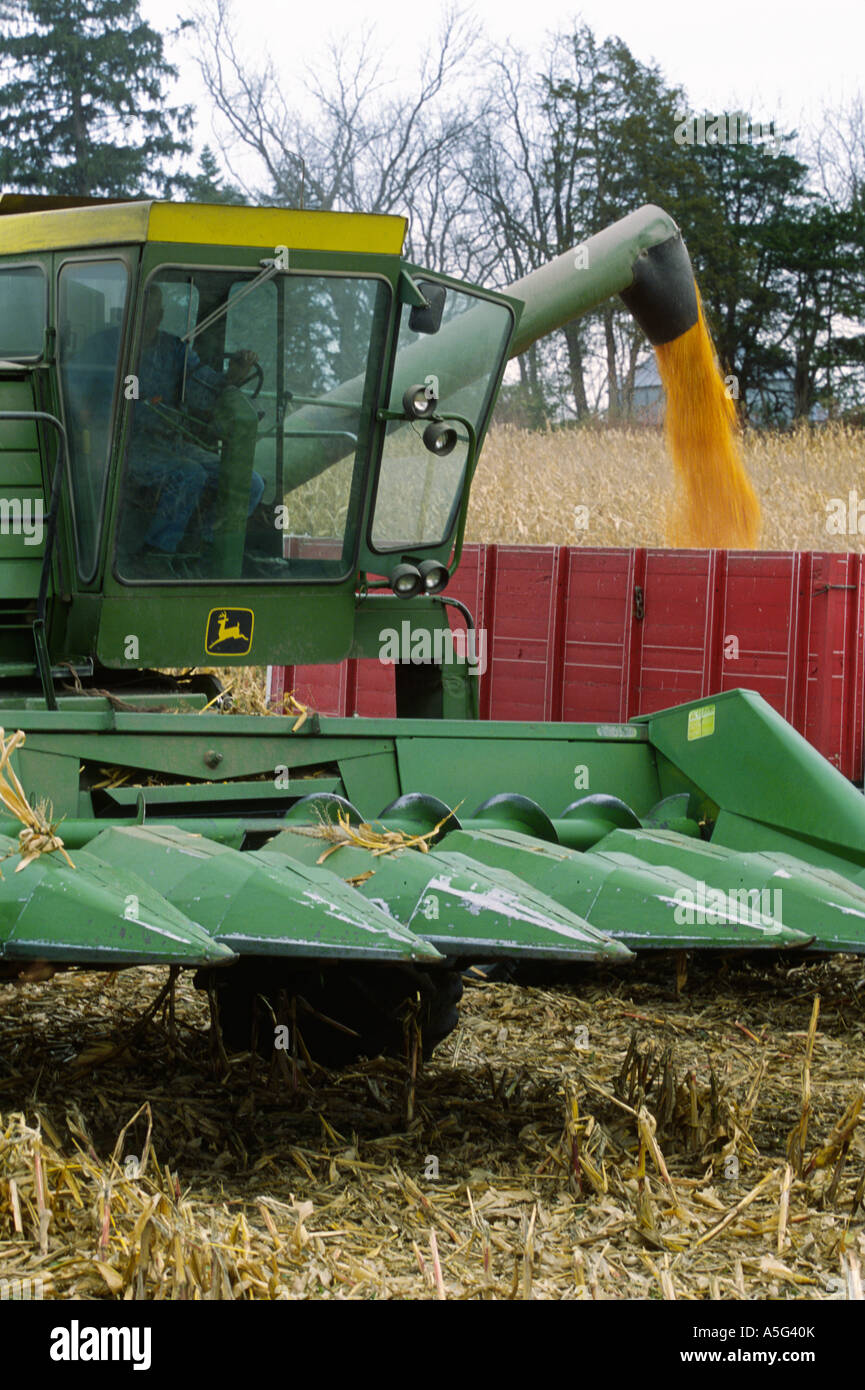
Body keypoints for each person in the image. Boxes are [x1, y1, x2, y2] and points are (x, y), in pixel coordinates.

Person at [126, 284, 265, 561]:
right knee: (190, 473)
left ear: (161, 314)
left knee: (250, 483)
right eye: (142, 309)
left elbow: (205, 389)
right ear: (128, 312)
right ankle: (157, 553)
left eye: (152, 310)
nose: (147, 316)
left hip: (171, 443)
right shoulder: (109, 347)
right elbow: (85, 397)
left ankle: (203, 544)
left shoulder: (175, 351)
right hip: (128, 445)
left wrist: (232, 377)